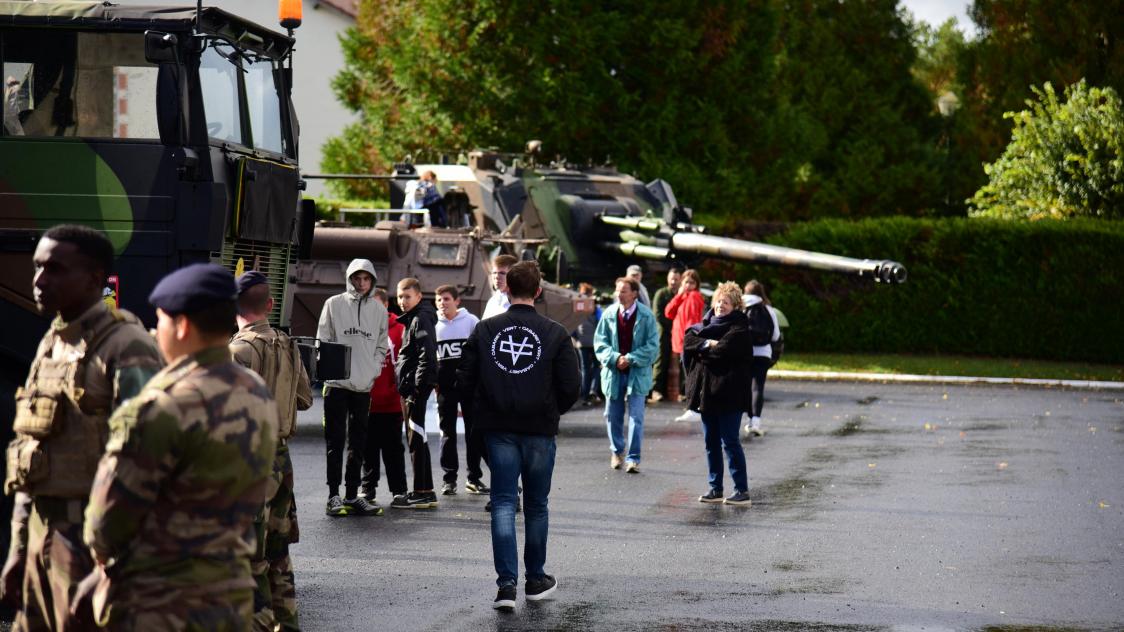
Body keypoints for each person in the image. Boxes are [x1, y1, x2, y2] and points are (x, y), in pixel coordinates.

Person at [80, 263, 280, 628]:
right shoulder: (255, 392)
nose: (156, 331)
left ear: (183, 325)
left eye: (162, 320)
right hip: (229, 593)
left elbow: (105, 523)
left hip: (161, 600)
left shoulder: (162, 405)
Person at [0, 225, 162, 632]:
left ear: (94, 279)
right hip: (42, 534)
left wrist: (110, 568)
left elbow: (149, 464)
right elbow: (30, 449)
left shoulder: (126, 346)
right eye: (37, 267)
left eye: (54, 269)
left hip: (93, 546)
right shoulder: (52, 343)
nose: (38, 281)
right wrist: (19, 549)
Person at [456, 261, 580, 611]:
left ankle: (506, 586)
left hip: (498, 429)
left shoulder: (485, 330)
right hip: (539, 429)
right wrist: (551, 410)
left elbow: (464, 380)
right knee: (537, 506)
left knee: (504, 504)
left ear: (506, 289)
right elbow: (571, 386)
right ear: (539, 291)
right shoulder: (555, 333)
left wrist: (482, 413)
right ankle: (535, 578)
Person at [230, 270, 314, 632]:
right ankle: (289, 624)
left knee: (252, 557)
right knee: (279, 555)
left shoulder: (236, 351)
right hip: (282, 459)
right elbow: (306, 399)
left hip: (251, 462)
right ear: (270, 304)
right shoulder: (288, 345)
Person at [316, 259, 389, 516]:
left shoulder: (379, 311)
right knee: (335, 442)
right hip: (336, 384)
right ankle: (333, 495)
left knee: (358, 443)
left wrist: (374, 368)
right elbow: (323, 340)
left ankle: (350, 495)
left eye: (366, 279)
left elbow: (382, 344)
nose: (361, 283)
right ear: (349, 279)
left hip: (362, 386)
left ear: (372, 281)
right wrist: (330, 370)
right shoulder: (333, 304)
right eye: (356, 278)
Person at [682, 282, 754, 506]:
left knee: (730, 442)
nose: (721, 305)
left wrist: (702, 349)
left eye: (726, 302)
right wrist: (707, 344)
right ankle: (716, 489)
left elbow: (722, 353)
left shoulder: (740, 329)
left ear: (735, 306)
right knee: (710, 442)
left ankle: (741, 490)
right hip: (707, 395)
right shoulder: (703, 324)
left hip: (730, 395)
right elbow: (687, 341)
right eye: (718, 301)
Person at [593, 277, 659, 473]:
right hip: (613, 373)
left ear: (634, 293)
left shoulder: (646, 316)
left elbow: (652, 347)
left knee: (636, 417)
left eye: (623, 291)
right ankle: (617, 451)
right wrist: (615, 358)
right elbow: (600, 342)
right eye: (617, 290)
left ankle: (633, 458)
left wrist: (630, 358)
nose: (618, 294)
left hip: (637, 373)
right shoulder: (609, 314)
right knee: (612, 415)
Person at [434, 284, 488, 496]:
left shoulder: (471, 321)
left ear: (457, 301)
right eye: (439, 300)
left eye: (446, 299)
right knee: (447, 433)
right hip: (445, 389)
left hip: (469, 387)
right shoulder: (434, 326)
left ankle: (473, 478)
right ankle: (449, 480)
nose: (442, 303)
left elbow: (481, 352)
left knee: (473, 432)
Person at [391, 278, 439, 509]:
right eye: (400, 296)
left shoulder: (420, 320)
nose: (402, 301)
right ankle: (424, 489)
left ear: (419, 296)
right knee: (416, 438)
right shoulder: (417, 318)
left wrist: (417, 388)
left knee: (416, 439)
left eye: (407, 296)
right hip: (412, 389)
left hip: (414, 391)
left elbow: (427, 356)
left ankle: (423, 491)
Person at [362, 288, 408, 504]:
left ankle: (399, 490)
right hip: (366, 402)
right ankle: (367, 488)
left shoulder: (400, 330)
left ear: (385, 305)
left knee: (393, 450)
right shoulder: (360, 330)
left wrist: (395, 391)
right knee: (367, 449)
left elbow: (403, 365)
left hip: (391, 404)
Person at [665, 269, 706, 422]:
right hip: (681, 342)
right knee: (688, 373)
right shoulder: (683, 296)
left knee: (690, 374)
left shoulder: (695, 297)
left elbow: (692, 321)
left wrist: (689, 340)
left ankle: (693, 407)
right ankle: (692, 406)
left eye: (691, 282)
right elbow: (668, 312)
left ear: (696, 285)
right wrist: (679, 295)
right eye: (686, 282)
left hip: (687, 342)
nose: (688, 285)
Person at [742, 280, 781, 439]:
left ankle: (745, 418)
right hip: (763, 353)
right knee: (758, 387)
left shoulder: (741, 306)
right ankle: (755, 422)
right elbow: (776, 335)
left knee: (744, 386)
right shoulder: (768, 310)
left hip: (745, 354)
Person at [649, 267, 683, 403]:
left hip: (678, 333)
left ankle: (681, 391)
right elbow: (657, 314)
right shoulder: (661, 293)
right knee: (660, 360)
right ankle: (656, 390)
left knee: (680, 362)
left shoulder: (681, 295)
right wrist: (672, 326)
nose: (674, 282)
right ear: (667, 279)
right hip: (663, 332)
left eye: (676, 279)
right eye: (671, 279)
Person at [572, 283, 602, 406]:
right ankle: (593, 391)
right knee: (597, 367)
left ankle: (584, 395)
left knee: (584, 369)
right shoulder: (594, 306)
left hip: (581, 342)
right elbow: (601, 322)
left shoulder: (576, 305)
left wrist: (574, 337)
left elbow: (572, 323)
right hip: (595, 342)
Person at [482, 254, 518, 319]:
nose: (497, 277)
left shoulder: (519, 302)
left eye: (502, 273)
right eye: (494, 273)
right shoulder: (493, 301)